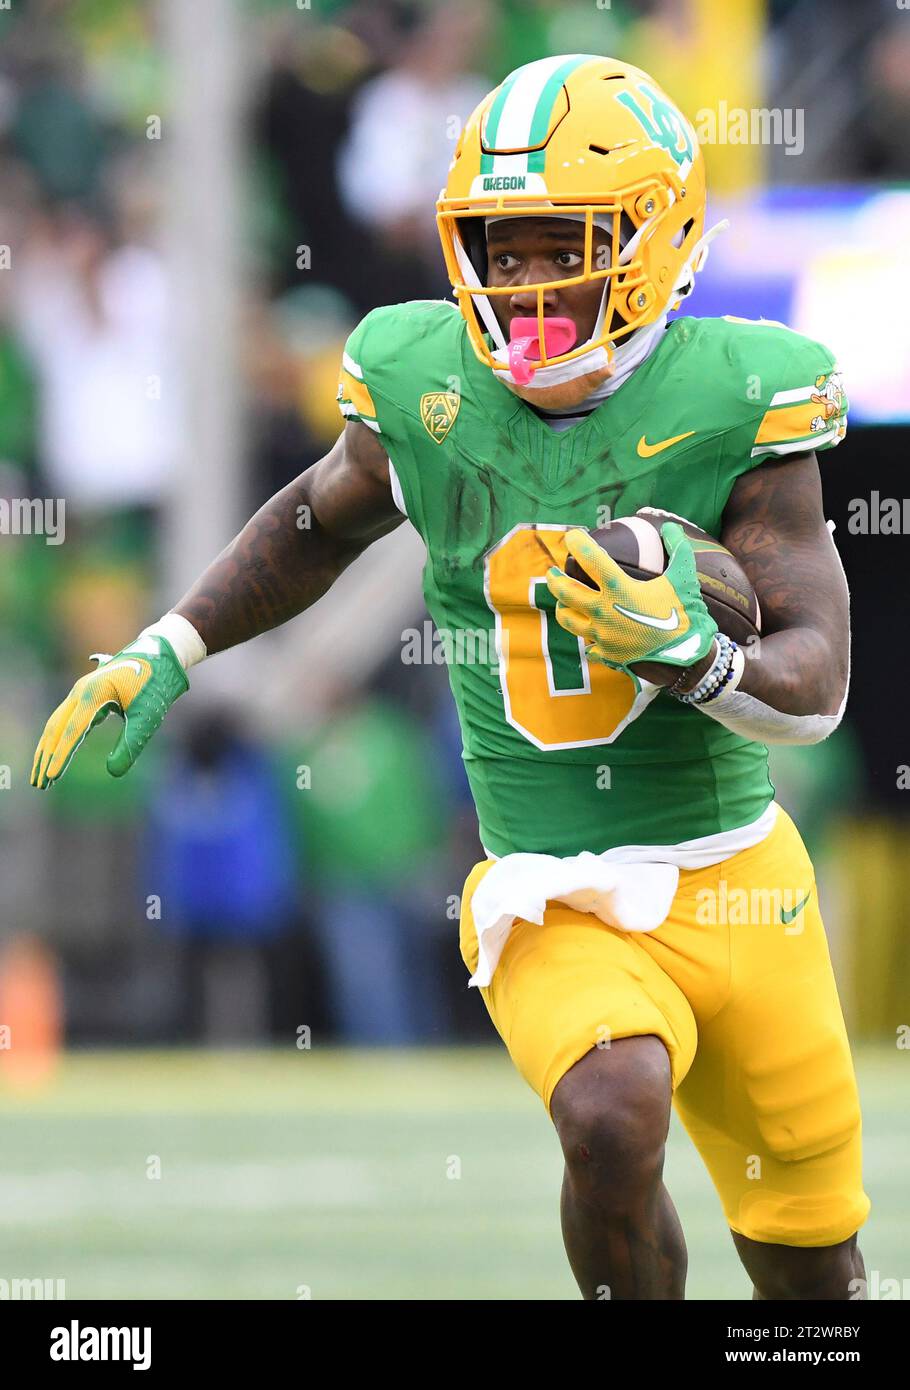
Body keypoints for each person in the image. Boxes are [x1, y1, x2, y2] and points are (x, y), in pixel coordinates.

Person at [31, 55, 868, 1301]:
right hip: (551, 886)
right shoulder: (425, 378)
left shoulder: (742, 392)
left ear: (654, 236)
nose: (528, 282)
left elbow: (818, 683)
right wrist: (175, 642)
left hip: (737, 875)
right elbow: (321, 519)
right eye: (503, 250)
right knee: (610, 1110)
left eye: (559, 244)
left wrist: (693, 655)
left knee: (810, 1276)